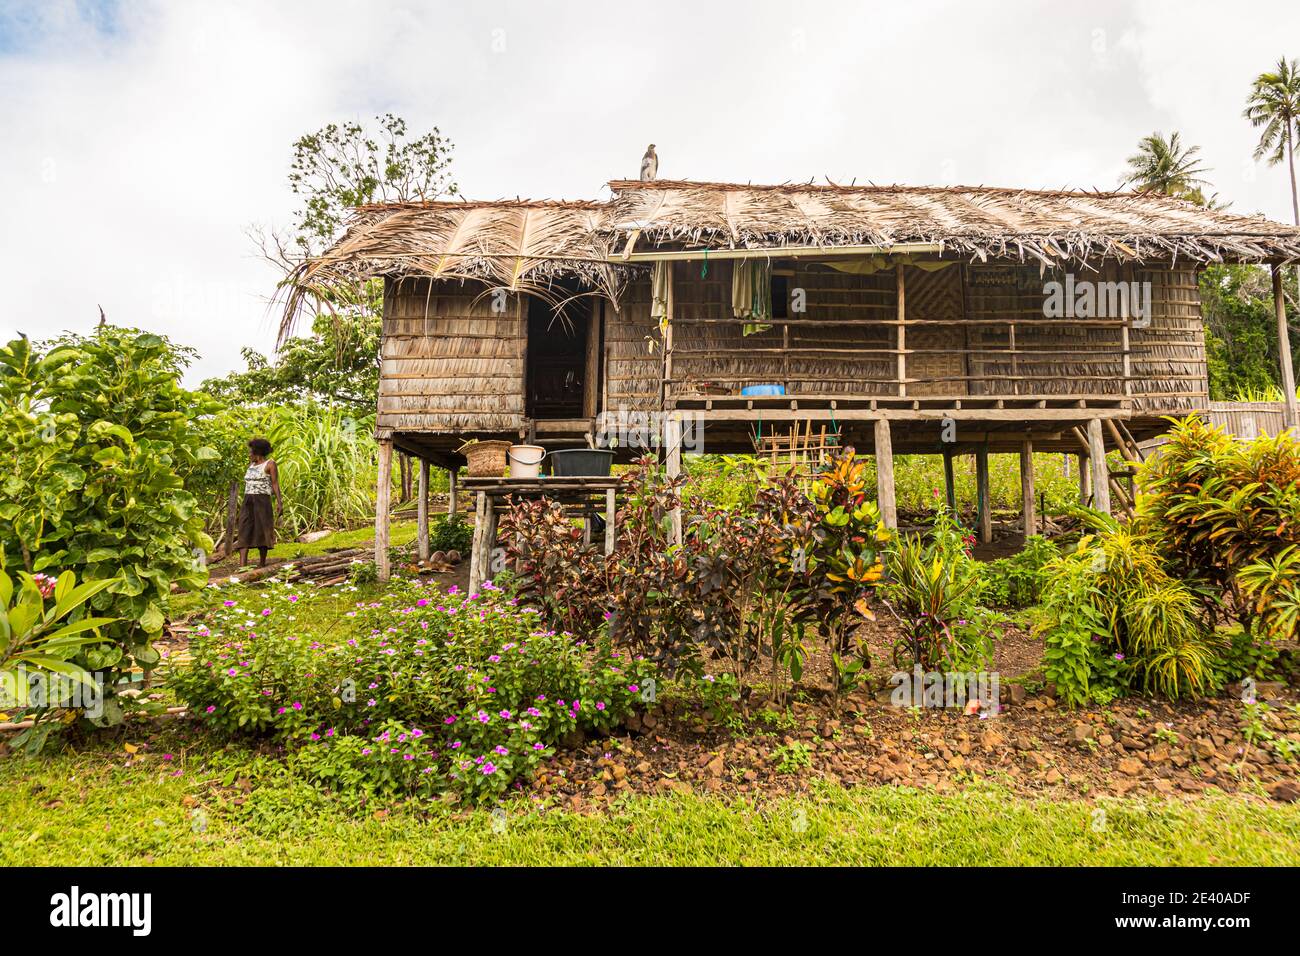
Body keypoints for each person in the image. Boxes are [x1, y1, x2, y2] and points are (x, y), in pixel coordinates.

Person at [237, 437, 282, 567]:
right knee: (244, 529)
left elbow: (275, 483)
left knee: (262, 530)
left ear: (258, 452)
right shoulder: (251, 465)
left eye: (251, 451)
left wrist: (280, 503)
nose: (249, 454)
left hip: (262, 501)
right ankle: (242, 567)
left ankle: (262, 564)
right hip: (248, 500)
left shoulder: (270, 464)